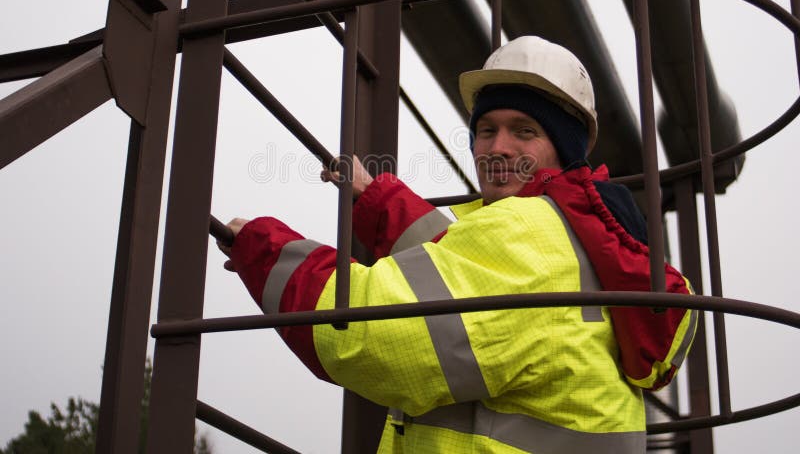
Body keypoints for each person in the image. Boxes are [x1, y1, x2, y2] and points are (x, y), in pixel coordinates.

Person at [218, 35, 697, 453]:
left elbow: (376, 337)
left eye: (524, 131)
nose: (497, 148)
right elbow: (461, 270)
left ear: (563, 149)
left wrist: (264, 250)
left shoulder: (527, 232)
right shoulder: (578, 232)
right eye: (486, 130)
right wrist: (377, 197)